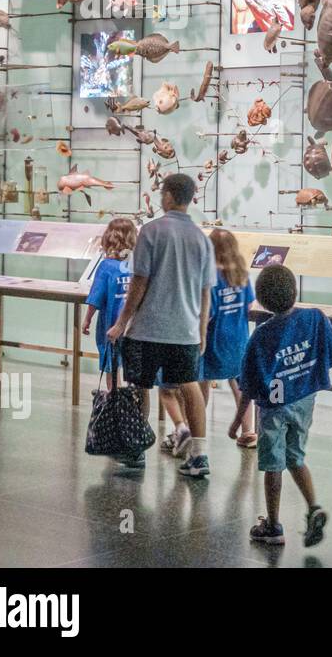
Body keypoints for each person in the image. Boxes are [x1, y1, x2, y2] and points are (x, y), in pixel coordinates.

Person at [231, 264, 332, 546]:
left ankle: (273, 524)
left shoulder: (260, 337)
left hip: (274, 408)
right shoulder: (315, 318)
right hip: (304, 401)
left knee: (272, 465)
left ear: (263, 300)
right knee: (296, 457)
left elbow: (248, 385)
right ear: (294, 291)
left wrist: (236, 421)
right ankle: (313, 506)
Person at [107, 172, 216, 477]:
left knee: (140, 386)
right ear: (191, 198)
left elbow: (139, 282)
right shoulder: (201, 239)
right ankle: (199, 454)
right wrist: (202, 332)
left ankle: (137, 450)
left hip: (148, 329)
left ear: (167, 195)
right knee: (189, 385)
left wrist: (121, 322)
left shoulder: (151, 231)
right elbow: (206, 291)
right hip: (185, 330)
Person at [204, 229, 256, 448]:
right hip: (239, 337)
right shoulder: (242, 274)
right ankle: (249, 431)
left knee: (202, 381)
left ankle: (195, 427)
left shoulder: (211, 278)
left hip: (215, 338)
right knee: (241, 386)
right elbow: (250, 304)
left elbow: (208, 313)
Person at [82, 219, 137, 381]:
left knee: (111, 365)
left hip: (111, 323)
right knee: (135, 366)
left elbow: (96, 297)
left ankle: (115, 400)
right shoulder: (137, 264)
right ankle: (135, 403)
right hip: (135, 324)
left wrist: (87, 319)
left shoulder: (106, 266)